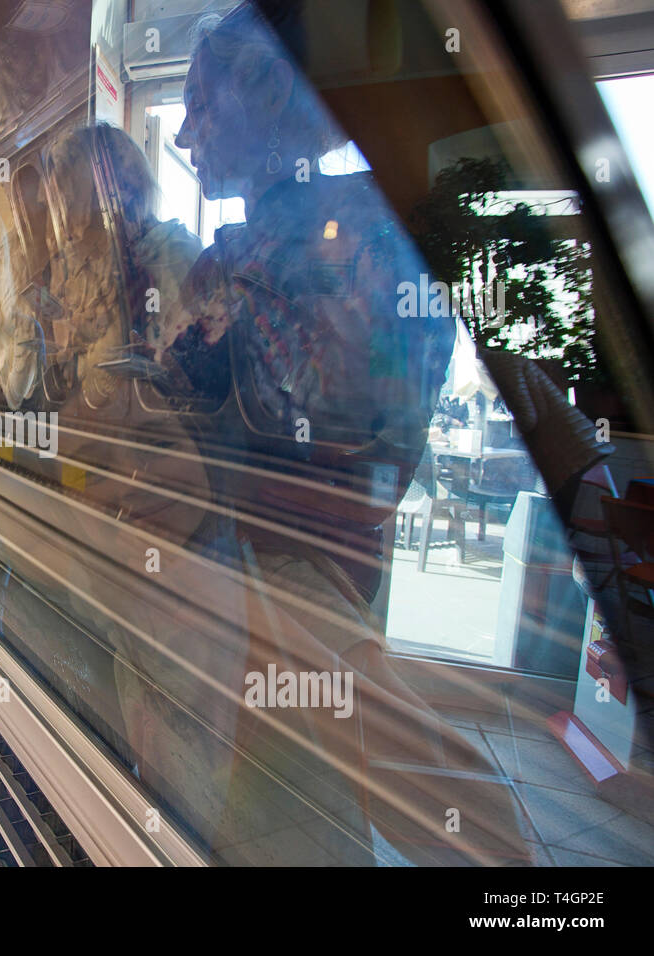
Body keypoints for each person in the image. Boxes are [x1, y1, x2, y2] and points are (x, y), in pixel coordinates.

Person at [171, 1, 530, 863]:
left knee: (354, 760)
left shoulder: (355, 234)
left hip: (305, 568)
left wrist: (225, 314)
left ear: (271, 100)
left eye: (204, 104)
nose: (184, 135)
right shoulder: (253, 242)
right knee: (276, 798)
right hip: (239, 571)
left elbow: (355, 436)